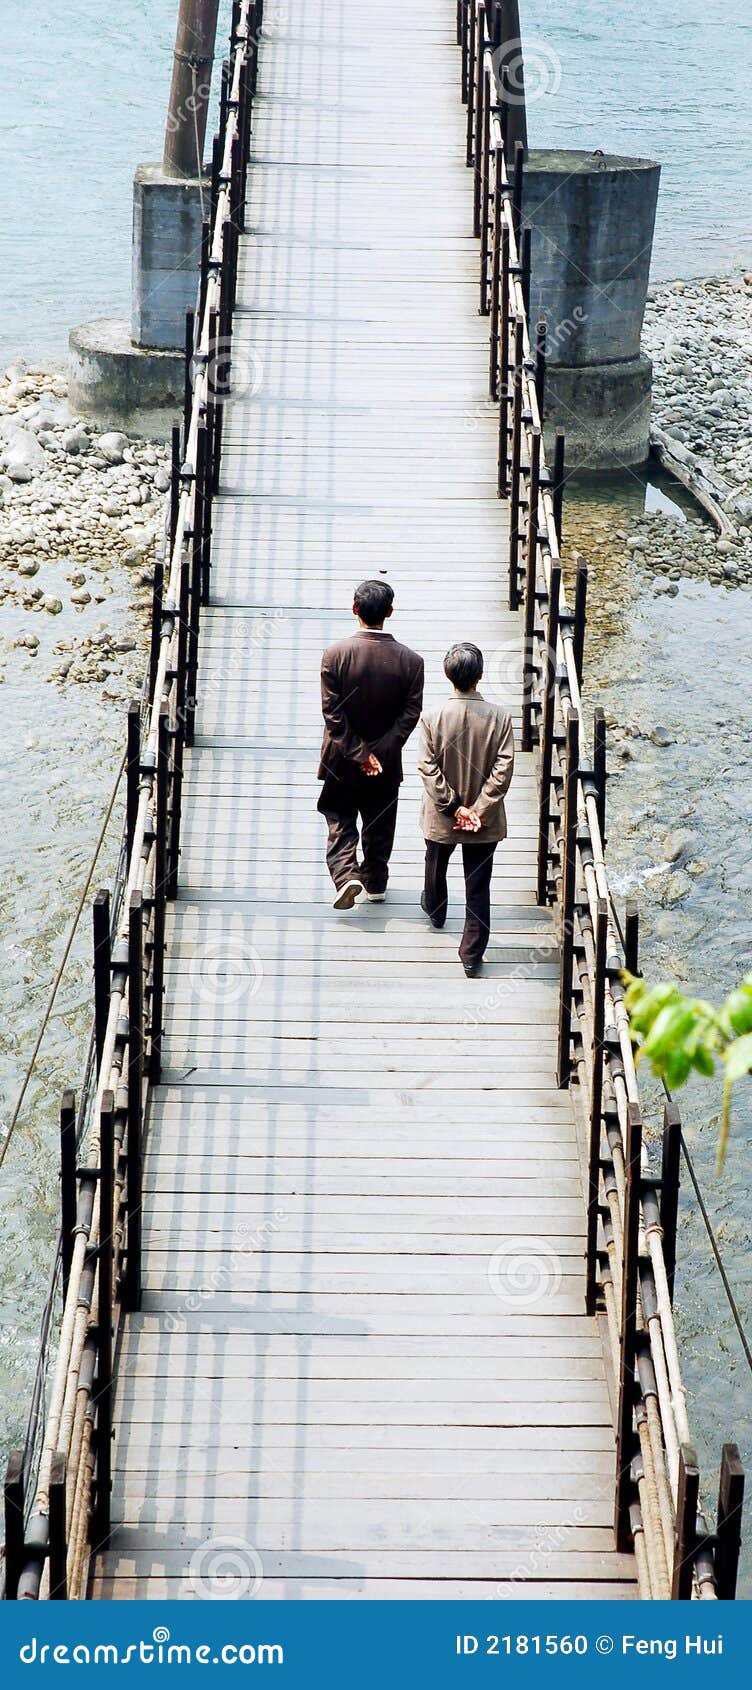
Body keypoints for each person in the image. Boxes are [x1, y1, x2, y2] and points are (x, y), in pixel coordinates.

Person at [317, 580, 424, 909]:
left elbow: (332, 714)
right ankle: (375, 881)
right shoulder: (411, 661)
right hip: (386, 761)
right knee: (379, 820)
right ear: (390, 612)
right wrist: (379, 753)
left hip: (340, 758)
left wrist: (359, 753)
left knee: (339, 814)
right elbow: (410, 714)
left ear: (354, 609)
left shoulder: (335, 655)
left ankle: (346, 873)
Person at [418, 642, 514, 976]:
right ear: (481, 675)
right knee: (478, 886)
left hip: (442, 815)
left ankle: (435, 907)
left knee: (435, 865)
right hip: (483, 823)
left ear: (448, 676)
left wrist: (454, 807)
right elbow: (503, 770)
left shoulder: (431, 717)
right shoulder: (500, 718)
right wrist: (478, 809)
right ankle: (471, 954)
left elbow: (428, 768)